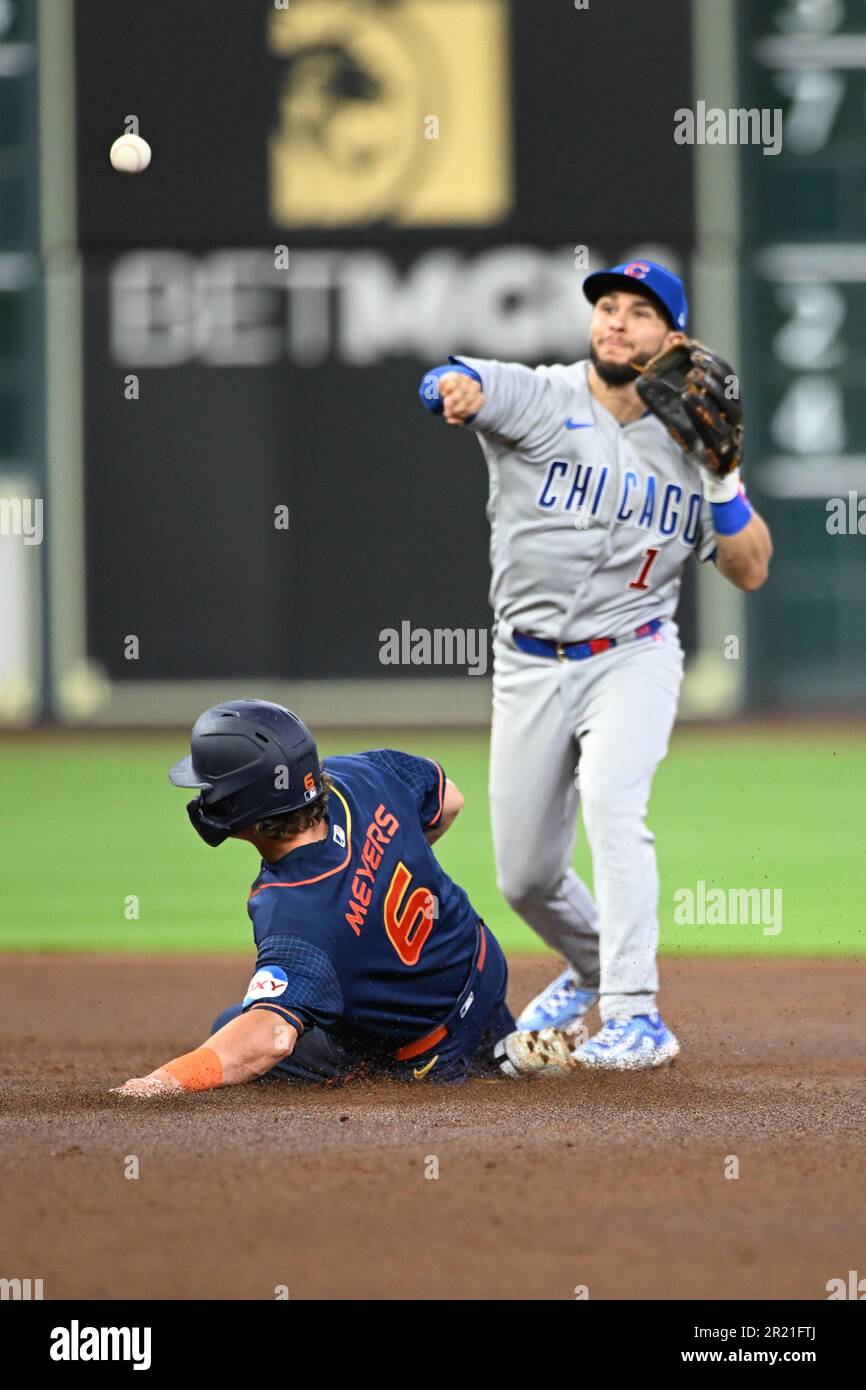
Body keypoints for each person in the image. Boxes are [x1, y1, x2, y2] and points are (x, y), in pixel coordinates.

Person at [418, 260, 772, 1069]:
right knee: (526, 876)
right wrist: (452, 390)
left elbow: (751, 569)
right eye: (606, 306)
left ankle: (637, 1013)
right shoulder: (543, 396)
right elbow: (457, 376)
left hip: (634, 654)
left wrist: (723, 475)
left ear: (672, 340)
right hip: (528, 662)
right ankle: (590, 966)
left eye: (639, 312)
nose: (615, 321)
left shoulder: (694, 443)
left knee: (614, 801)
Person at [111, 699, 522, 1096]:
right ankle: (506, 1049)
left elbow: (270, 1038)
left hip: (429, 1052)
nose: (205, 799)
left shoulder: (293, 910)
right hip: (485, 970)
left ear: (241, 804)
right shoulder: (359, 776)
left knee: (232, 1023)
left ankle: (466, 1065)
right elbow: (449, 800)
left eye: (211, 789)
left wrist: (160, 1083)